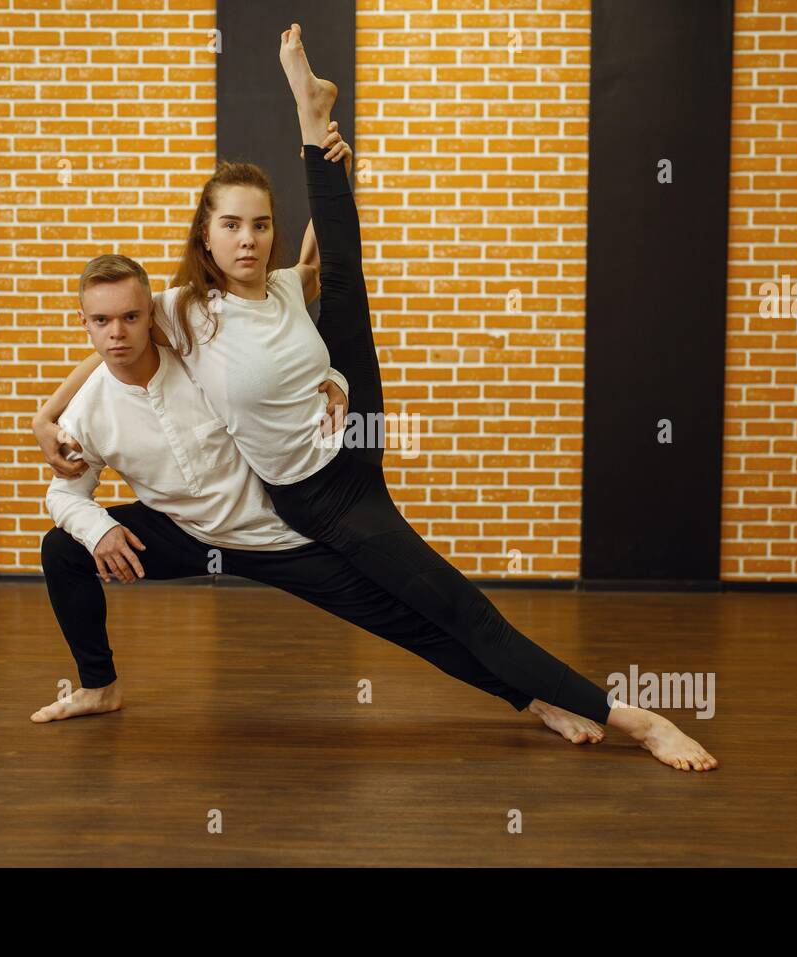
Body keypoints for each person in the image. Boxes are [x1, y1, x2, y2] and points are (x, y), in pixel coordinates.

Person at [35, 25, 717, 772]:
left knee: (344, 284)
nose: (248, 239)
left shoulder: (277, 290)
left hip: (339, 455)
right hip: (306, 506)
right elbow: (108, 355)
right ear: (205, 236)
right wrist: (47, 416)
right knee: (441, 611)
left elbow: (311, 279)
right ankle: (617, 714)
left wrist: (328, 366)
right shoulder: (181, 312)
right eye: (231, 225)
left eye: (260, 224)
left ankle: (313, 125)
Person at [34, 249, 608, 748]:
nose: (117, 333)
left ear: (151, 314)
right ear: (82, 323)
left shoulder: (199, 351)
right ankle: (98, 686)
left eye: (131, 317)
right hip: (187, 532)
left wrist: (333, 376)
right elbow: (65, 491)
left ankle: (535, 699)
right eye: (102, 320)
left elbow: (284, 339)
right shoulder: (85, 410)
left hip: (276, 532)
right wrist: (98, 527)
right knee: (63, 547)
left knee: (406, 619)